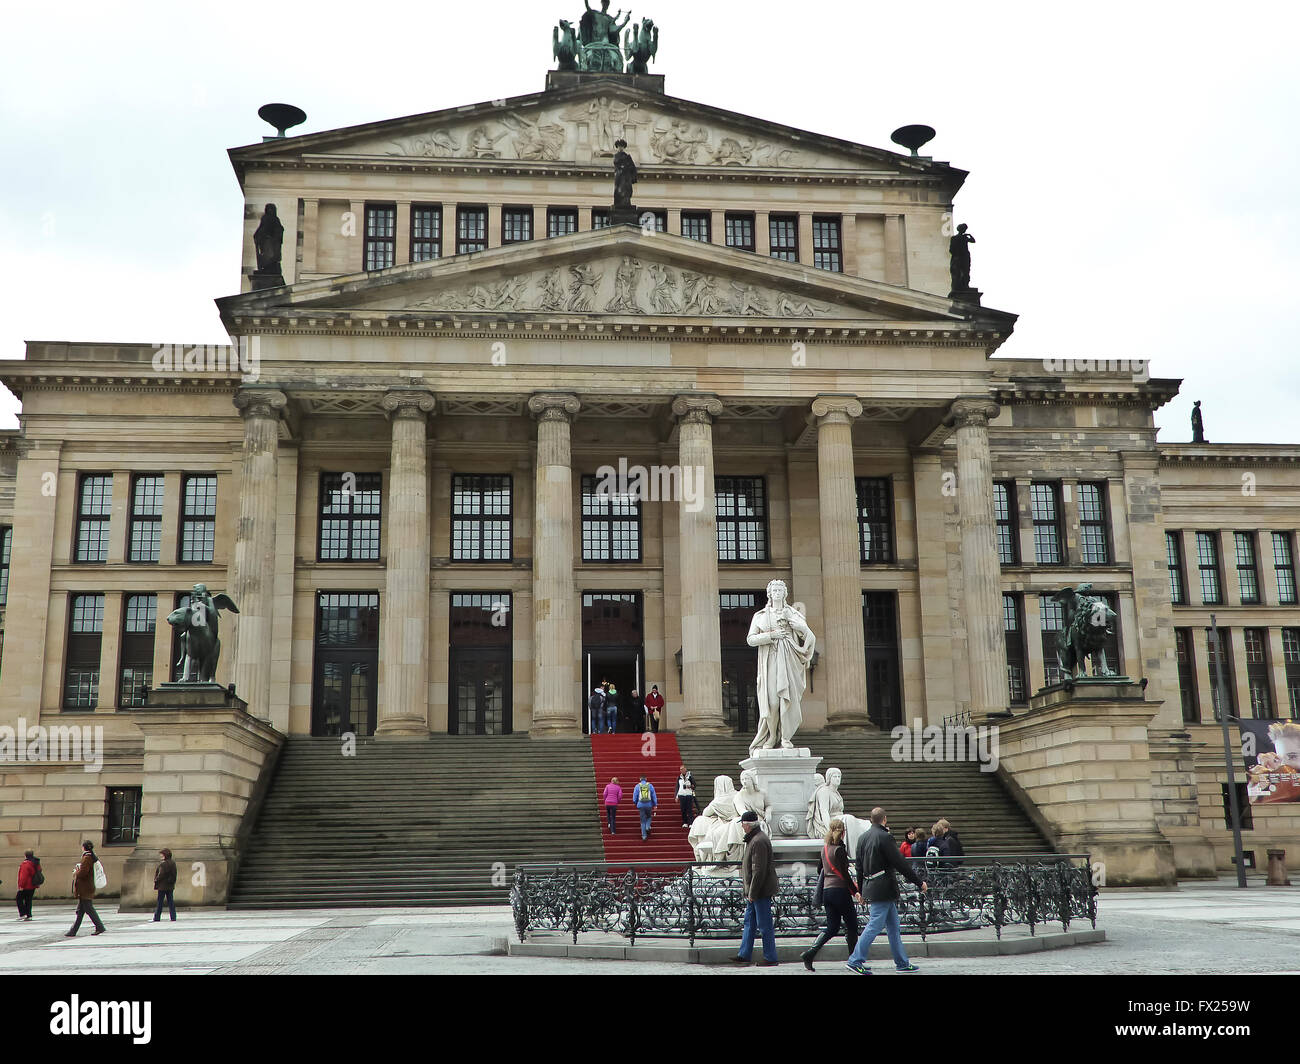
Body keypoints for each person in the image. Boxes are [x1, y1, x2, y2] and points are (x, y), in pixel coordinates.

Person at [845, 807, 926, 974]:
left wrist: (860, 890)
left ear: (872, 819)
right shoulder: (885, 837)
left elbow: (859, 868)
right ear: (884, 820)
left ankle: (902, 962)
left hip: (871, 886)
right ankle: (855, 960)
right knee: (875, 924)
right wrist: (919, 882)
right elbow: (900, 863)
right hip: (883, 888)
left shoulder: (862, 838)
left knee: (893, 927)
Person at [801, 818, 859, 971]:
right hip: (840, 891)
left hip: (827, 892)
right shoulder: (839, 850)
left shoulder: (825, 848)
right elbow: (845, 874)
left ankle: (810, 953)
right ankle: (853, 959)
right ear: (843, 832)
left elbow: (820, 869)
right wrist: (855, 891)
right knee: (852, 925)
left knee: (832, 927)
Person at [733, 811, 779, 966]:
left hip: (760, 891)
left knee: (764, 924)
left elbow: (758, 870)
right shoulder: (755, 839)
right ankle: (744, 954)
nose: (742, 827)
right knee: (749, 922)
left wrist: (752, 893)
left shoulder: (758, 841)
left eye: (743, 824)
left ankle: (771, 957)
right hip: (756, 890)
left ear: (748, 825)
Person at [66, 840, 106, 937]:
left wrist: (76, 872)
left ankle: (100, 927)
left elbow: (84, 872)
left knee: (89, 909)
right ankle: (73, 931)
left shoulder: (87, 857)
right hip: (86, 887)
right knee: (80, 911)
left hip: (85, 887)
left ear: (84, 847)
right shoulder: (90, 856)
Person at [153, 848, 178, 922]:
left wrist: (156, 880)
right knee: (171, 902)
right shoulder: (173, 863)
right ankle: (173, 917)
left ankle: (157, 917)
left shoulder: (163, 864)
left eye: (162, 855)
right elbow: (174, 874)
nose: (161, 856)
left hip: (162, 886)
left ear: (165, 855)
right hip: (170, 885)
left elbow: (161, 874)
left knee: (160, 902)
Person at [16, 850, 40, 921]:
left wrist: (21, 886)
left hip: (26, 885)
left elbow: (24, 876)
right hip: (33, 885)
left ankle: (23, 913)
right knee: (28, 900)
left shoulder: (25, 864)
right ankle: (29, 915)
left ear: (25, 855)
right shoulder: (35, 863)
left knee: (19, 898)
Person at [633, 775, 657, 840]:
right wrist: (655, 804)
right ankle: (647, 826)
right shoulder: (650, 785)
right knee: (649, 816)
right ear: (646, 779)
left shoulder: (637, 786)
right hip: (649, 804)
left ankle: (644, 836)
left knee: (642, 820)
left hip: (641, 805)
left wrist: (636, 803)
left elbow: (635, 797)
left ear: (640, 779)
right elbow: (653, 795)